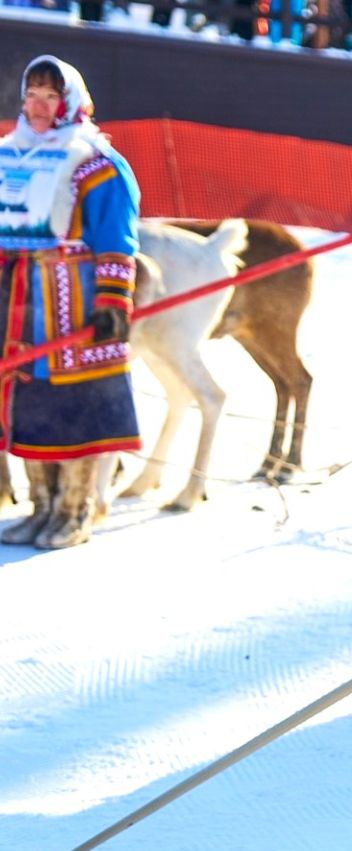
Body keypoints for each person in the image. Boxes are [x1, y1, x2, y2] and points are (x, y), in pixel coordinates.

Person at [0, 57, 141, 550]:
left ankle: (75, 510)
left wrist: (112, 300)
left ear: (71, 102)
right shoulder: (9, 157)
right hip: (17, 304)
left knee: (74, 407)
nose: (39, 107)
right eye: (32, 95)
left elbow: (117, 239)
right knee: (28, 404)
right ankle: (41, 507)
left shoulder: (97, 164)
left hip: (73, 303)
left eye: (50, 96)